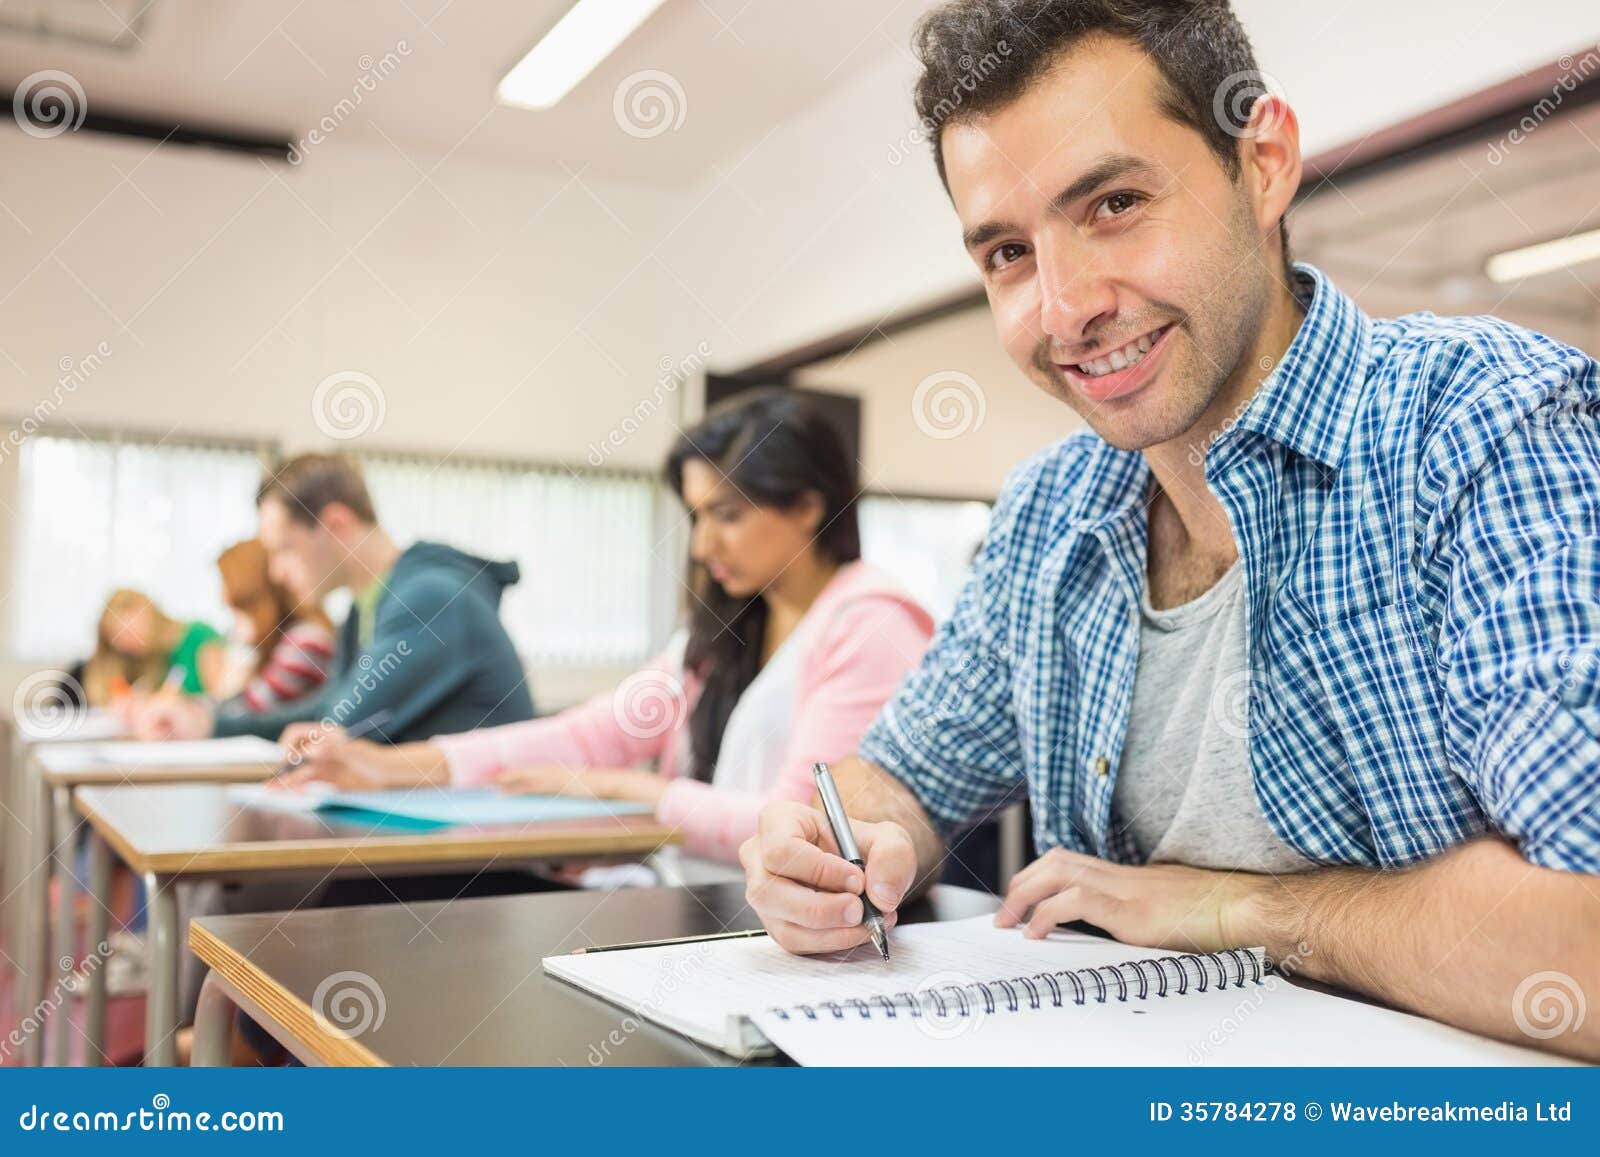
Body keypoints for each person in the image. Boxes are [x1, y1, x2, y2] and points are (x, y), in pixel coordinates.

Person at [737, 0, 1600, 1062]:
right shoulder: (1051, 511)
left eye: (1112, 202)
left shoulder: (1479, 425)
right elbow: (906, 778)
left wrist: (1242, 908)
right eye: (1008, 251)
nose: (1063, 309)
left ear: (1266, 162)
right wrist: (841, 843)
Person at [282, 388, 936, 867]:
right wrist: (386, 767)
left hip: (782, 939)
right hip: (704, 910)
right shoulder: (724, 628)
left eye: (727, 514)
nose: (704, 544)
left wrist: (630, 789)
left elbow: (801, 829)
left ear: (807, 506)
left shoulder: (870, 624)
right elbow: (592, 733)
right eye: (696, 516)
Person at [133, 453, 534, 743]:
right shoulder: (363, 611)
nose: (276, 572)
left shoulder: (430, 600)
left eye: (284, 549)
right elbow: (327, 708)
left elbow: (337, 722)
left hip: (470, 848)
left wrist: (212, 725)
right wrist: (209, 725)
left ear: (336, 524)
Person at [211, 537, 335, 715]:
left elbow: (239, 714)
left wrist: (242, 650)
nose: (222, 596)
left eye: (239, 608)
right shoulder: (278, 644)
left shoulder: (306, 641)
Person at [81, 588, 221, 705]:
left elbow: (221, 702)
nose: (122, 645)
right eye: (115, 639)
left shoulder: (199, 637)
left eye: (125, 631)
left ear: (143, 609)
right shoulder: (148, 661)